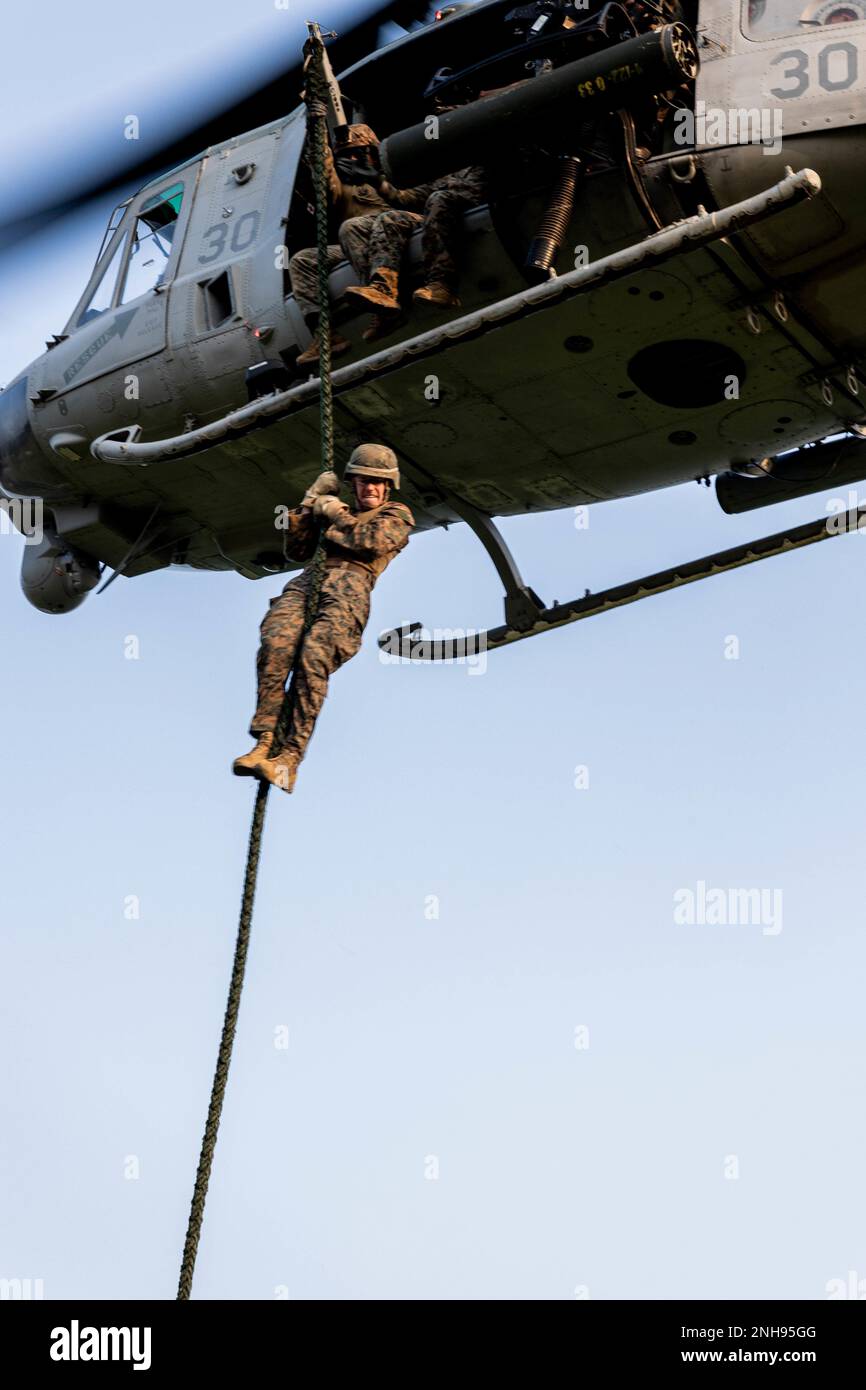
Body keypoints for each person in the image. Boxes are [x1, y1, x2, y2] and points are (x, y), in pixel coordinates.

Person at [233, 445, 414, 793]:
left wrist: (336, 513)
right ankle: (265, 740)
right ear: (354, 483)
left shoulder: (397, 515)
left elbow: (370, 542)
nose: (370, 489)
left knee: (313, 657)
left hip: (350, 588)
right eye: (363, 482)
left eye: (377, 483)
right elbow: (296, 550)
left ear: (388, 487)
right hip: (307, 582)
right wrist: (308, 503)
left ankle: (289, 758)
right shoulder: (334, 511)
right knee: (275, 643)